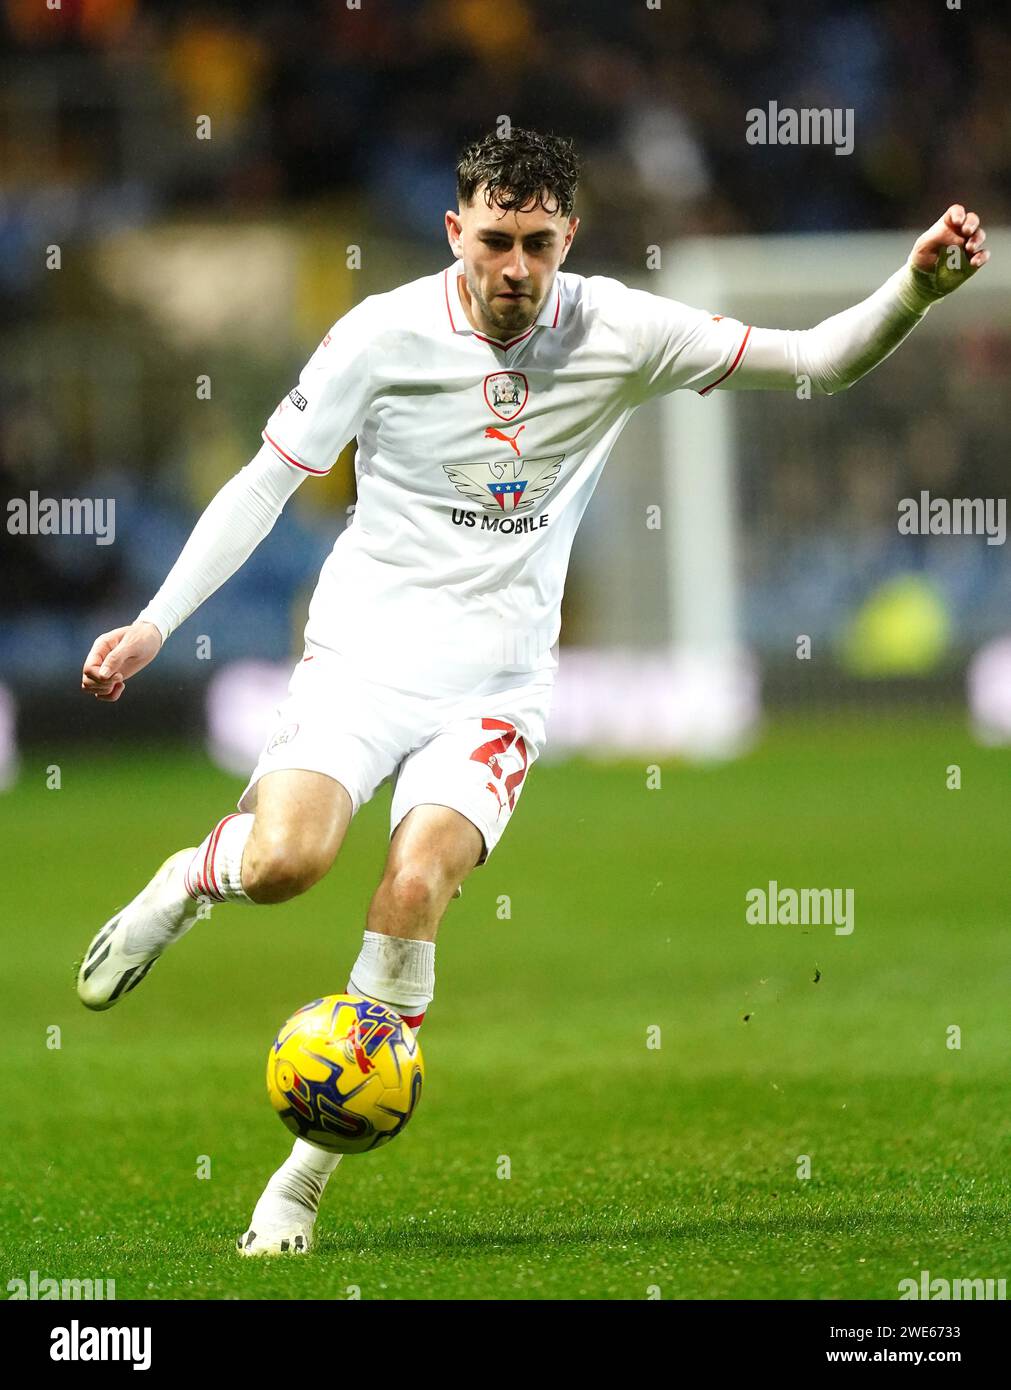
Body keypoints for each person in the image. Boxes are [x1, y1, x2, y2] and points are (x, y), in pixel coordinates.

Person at [76, 127, 989, 1255]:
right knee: (285, 865)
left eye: (539, 245)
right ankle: (190, 877)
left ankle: (301, 1182)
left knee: (416, 883)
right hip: (362, 658)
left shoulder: (618, 331)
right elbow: (265, 485)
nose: (515, 267)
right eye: (495, 240)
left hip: (498, 686)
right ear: (455, 230)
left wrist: (916, 288)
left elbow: (817, 360)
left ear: (569, 239)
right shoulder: (380, 335)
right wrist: (155, 623)